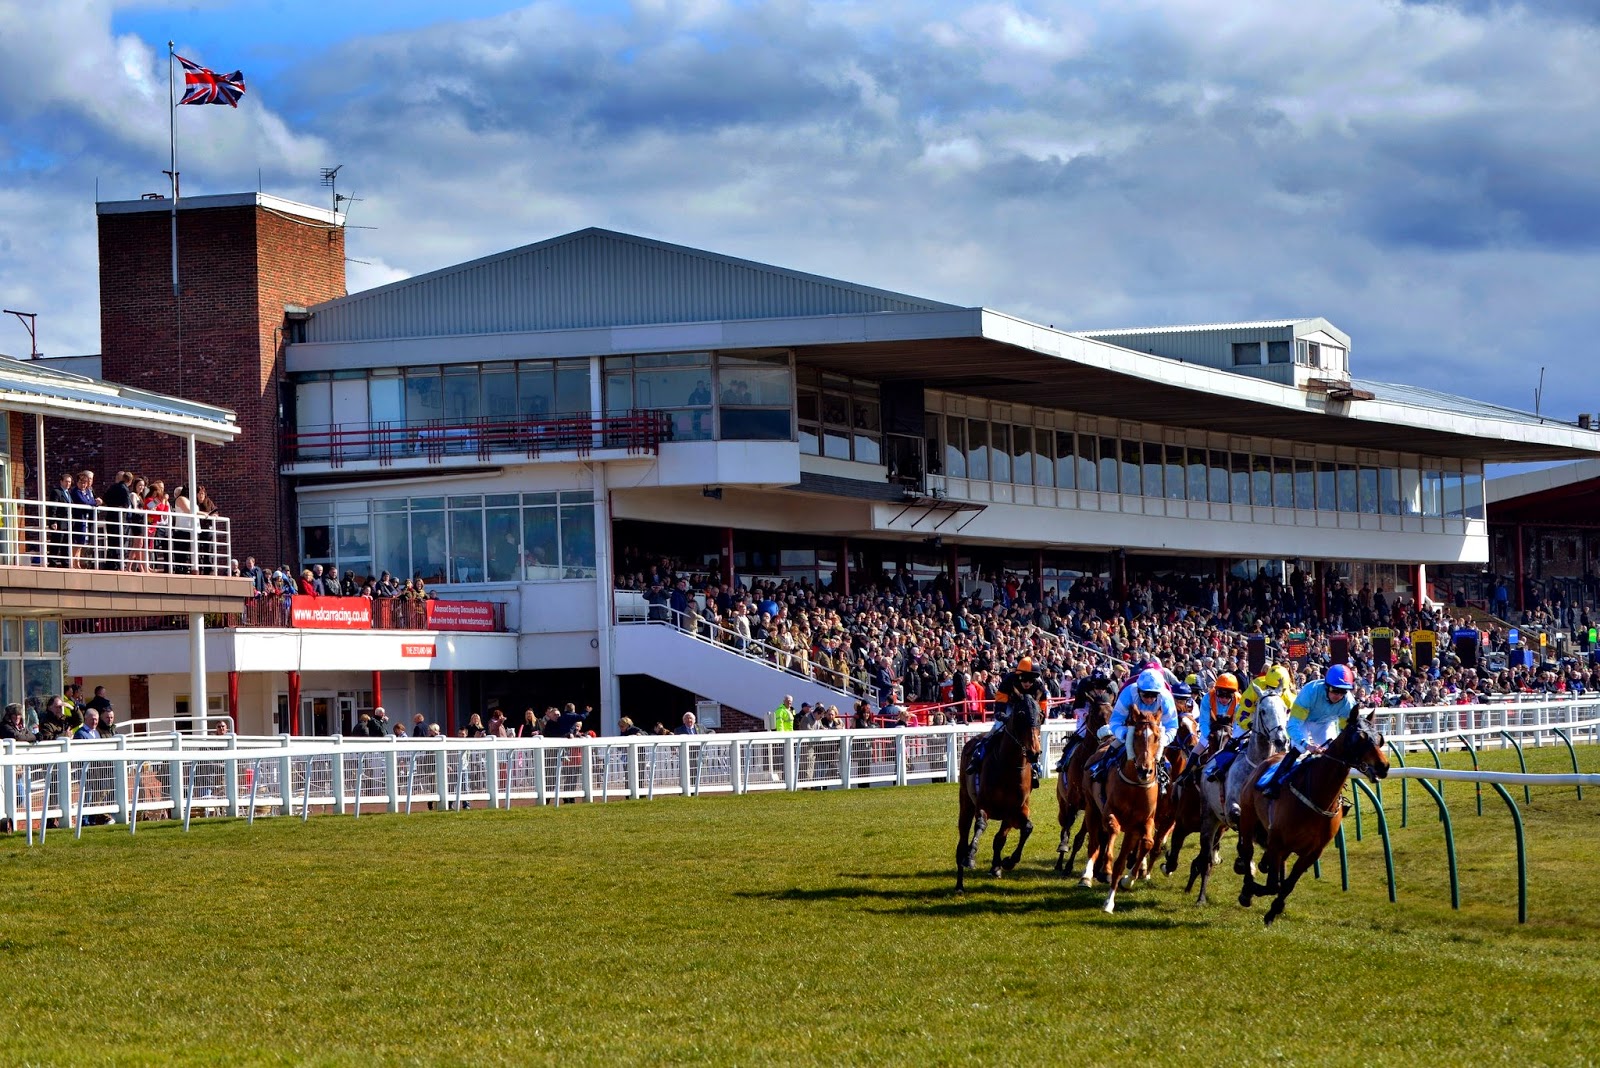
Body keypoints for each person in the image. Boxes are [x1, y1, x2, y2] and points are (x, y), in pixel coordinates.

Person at [1262, 664, 1356, 798]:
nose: (1338, 695)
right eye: (1335, 690)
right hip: (1303, 721)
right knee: (1300, 748)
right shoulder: (1310, 692)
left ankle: (1336, 794)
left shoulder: (1348, 703)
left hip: (1325, 723)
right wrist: (1307, 745)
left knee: (1333, 752)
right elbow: (1292, 726)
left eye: (1343, 692)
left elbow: (1344, 731)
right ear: (1327, 686)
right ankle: (1274, 784)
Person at [984, 655, 1052, 787]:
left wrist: (1037, 719)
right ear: (1018, 675)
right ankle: (978, 758)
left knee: (1032, 738)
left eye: (1031, 680)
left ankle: (1034, 767)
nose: (1027, 683)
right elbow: (999, 709)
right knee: (996, 730)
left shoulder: (1039, 685)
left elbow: (1042, 708)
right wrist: (1006, 718)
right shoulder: (1009, 680)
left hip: (1030, 709)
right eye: (1024, 679)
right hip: (1009, 707)